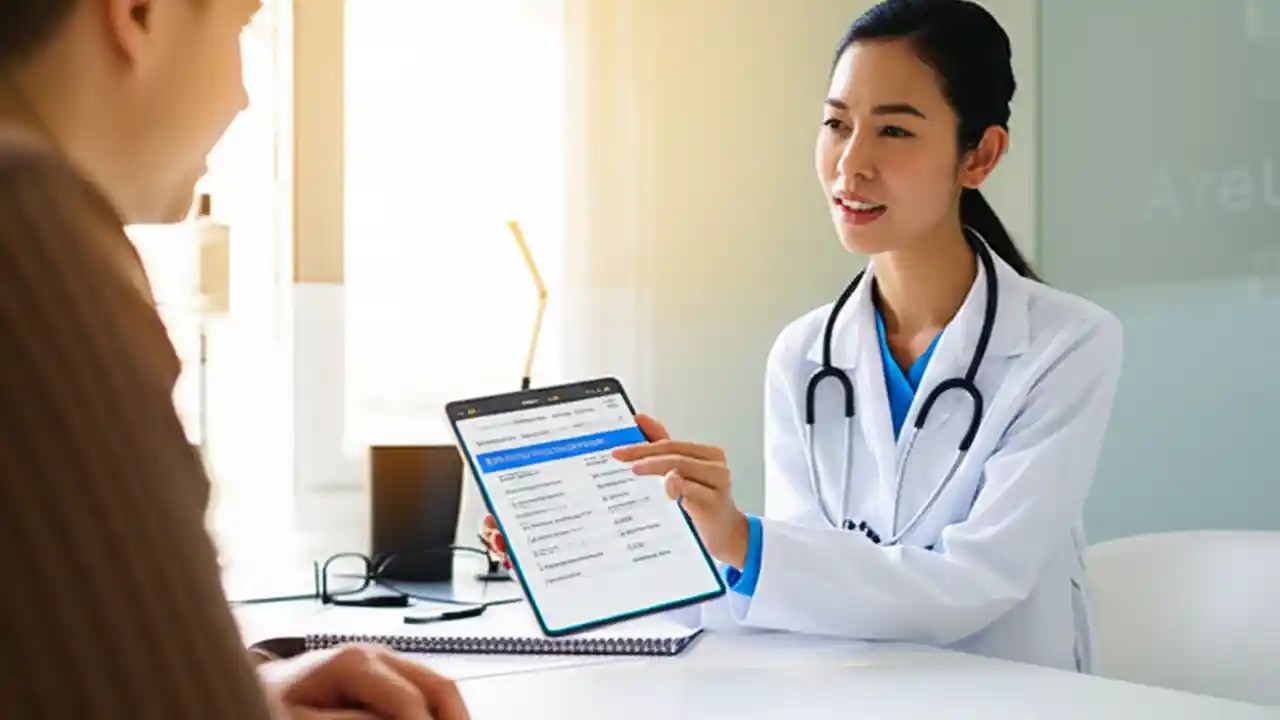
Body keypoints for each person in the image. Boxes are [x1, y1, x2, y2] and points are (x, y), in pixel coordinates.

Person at [484, 0, 1123, 674]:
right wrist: (633, 545)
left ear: (980, 155)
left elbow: (977, 582)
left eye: (895, 132)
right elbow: (804, 597)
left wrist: (746, 540)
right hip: (851, 694)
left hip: (1014, 699)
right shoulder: (806, 354)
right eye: (836, 124)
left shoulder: (1068, 344)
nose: (851, 164)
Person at [0, 1, 469, 718]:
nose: (245, 94)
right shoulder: (27, 239)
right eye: (240, 26)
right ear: (138, 13)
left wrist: (247, 692)